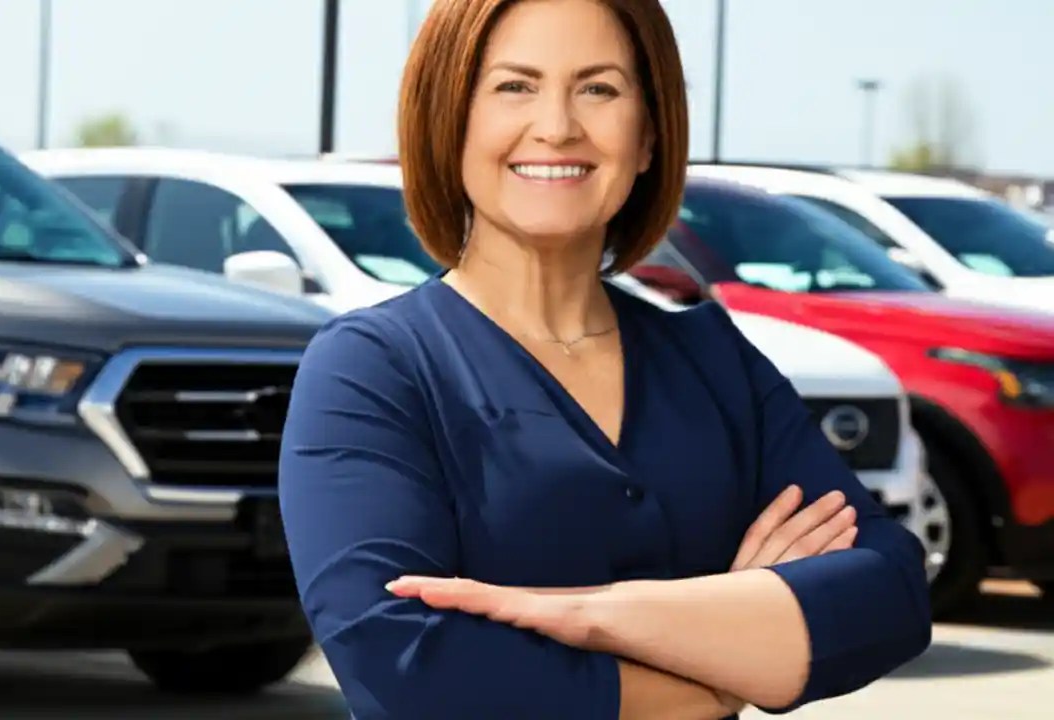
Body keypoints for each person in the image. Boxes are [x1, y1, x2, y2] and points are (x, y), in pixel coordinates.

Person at [276, 0, 933, 718]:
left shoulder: (713, 362)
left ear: (648, 136)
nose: (557, 126)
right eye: (514, 87)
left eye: (599, 88)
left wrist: (598, 616)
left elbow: (890, 593)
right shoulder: (375, 370)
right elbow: (405, 662)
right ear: (450, 121)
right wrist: (721, 670)